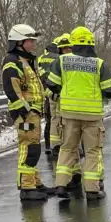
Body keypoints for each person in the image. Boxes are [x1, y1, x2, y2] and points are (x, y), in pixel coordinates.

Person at [44, 26, 111, 200]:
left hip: (69, 115)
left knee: (67, 148)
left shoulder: (62, 61)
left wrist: (67, 92)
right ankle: (92, 190)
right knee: (92, 151)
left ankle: (61, 185)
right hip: (92, 117)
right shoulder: (99, 64)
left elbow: (51, 84)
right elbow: (110, 90)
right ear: (91, 43)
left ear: (73, 43)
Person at [1, 24, 51, 202]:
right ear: (19, 42)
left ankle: (35, 183)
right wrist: (23, 110)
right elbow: (11, 88)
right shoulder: (12, 61)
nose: (33, 43)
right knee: (29, 147)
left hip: (32, 113)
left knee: (34, 146)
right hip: (25, 114)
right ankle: (27, 188)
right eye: (30, 40)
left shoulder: (26, 60)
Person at [37, 33, 72, 168]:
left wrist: (48, 92)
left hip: (48, 92)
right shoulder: (59, 59)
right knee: (65, 118)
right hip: (61, 92)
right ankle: (65, 145)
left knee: (52, 118)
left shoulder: (42, 58)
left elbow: (41, 76)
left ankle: (51, 146)